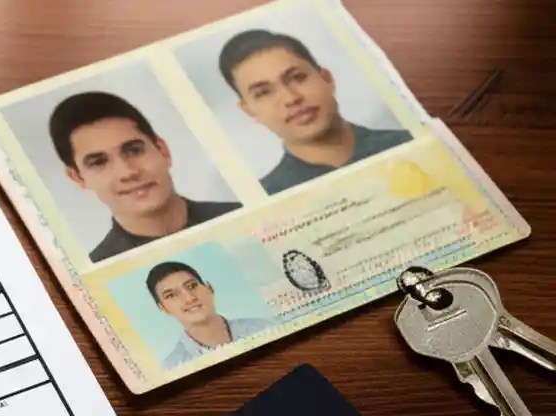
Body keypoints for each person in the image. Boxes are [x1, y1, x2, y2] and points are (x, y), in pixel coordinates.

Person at [48, 92, 240, 263]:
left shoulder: (241, 215)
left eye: (133, 150)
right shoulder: (100, 276)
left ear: (163, 151)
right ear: (78, 177)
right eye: (99, 162)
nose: (128, 172)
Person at [218, 29, 412, 194]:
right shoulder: (266, 199)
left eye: (298, 78)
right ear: (249, 110)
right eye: (263, 93)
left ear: (327, 79)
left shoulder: (410, 142)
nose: (291, 98)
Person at [146, 261, 274, 369]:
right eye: (171, 295)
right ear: (163, 308)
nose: (189, 298)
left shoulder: (265, 328)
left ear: (209, 288)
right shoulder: (173, 367)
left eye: (192, 286)